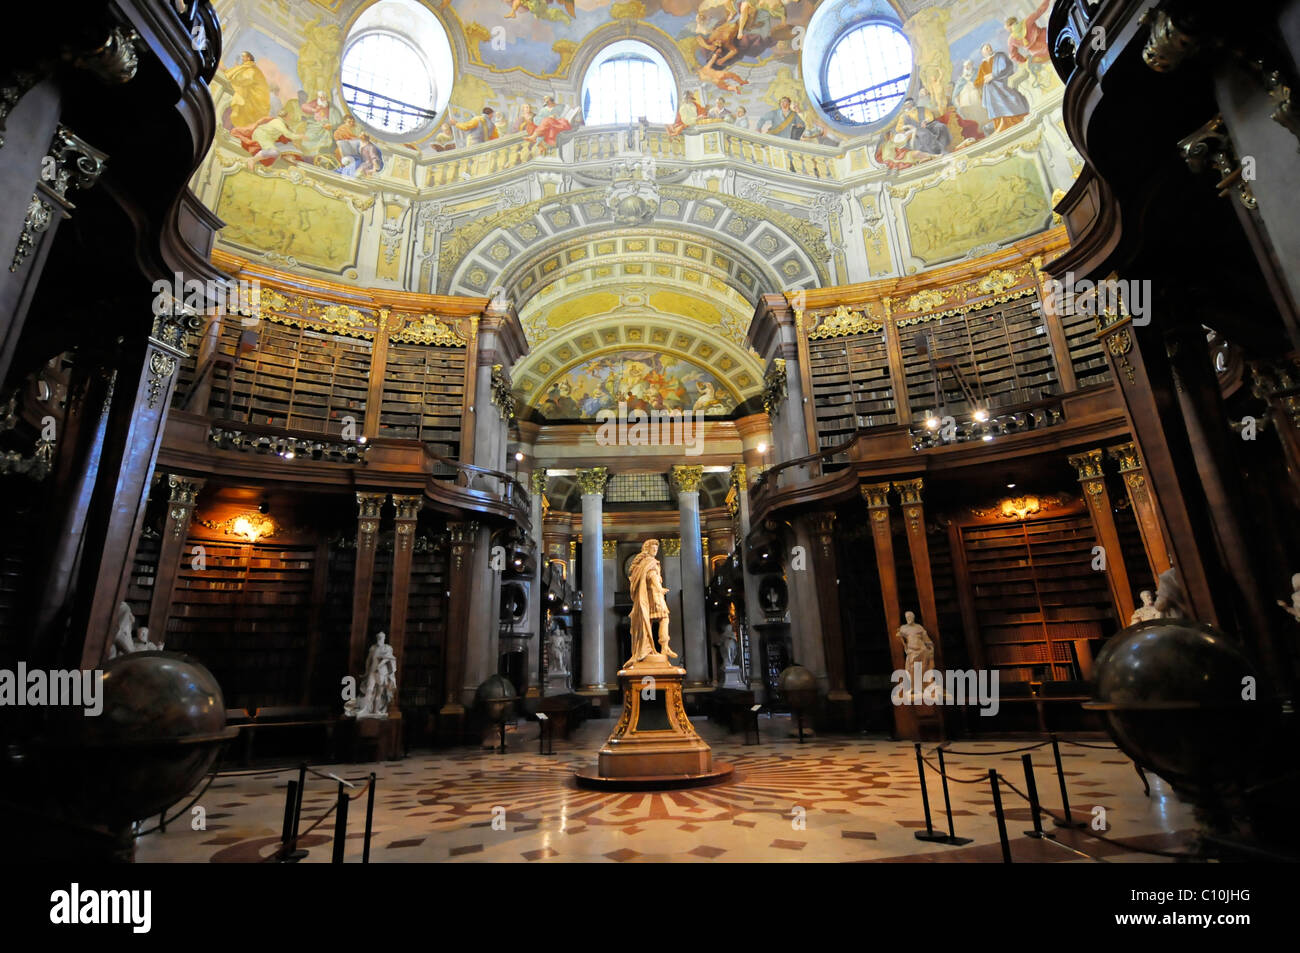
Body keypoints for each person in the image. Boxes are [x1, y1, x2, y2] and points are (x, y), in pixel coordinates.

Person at [626, 538, 676, 666]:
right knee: (663, 618)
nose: (655, 550)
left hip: (649, 596)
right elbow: (651, 576)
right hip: (653, 596)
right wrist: (660, 588)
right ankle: (663, 646)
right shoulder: (650, 562)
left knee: (648, 621)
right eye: (653, 548)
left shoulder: (642, 563)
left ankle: (652, 648)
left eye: (656, 548)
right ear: (646, 549)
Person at [975, 43, 1031, 134]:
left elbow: (1006, 68)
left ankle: (1015, 121)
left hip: (1004, 84)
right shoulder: (983, 64)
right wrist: (984, 79)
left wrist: (993, 75)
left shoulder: (999, 56)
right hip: (991, 90)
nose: (989, 49)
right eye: (986, 48)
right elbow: (978, 80)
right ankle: (1002, 123)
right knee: (992, 94)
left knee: (1009, 99)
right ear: (983, 53)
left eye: (989, 47)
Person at [895, 610, 934, 698]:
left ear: (913, 617)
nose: (909, 618)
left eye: (910, 617)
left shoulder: (919, 627)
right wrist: (900, 637)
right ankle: (913, 687)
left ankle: (922, 686)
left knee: (923, 668)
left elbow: (926, 638)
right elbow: (899, 636)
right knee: (912, 669)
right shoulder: (903, 628)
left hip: (922, 650)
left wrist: (930, 647)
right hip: (912, 651)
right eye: (907, 617)